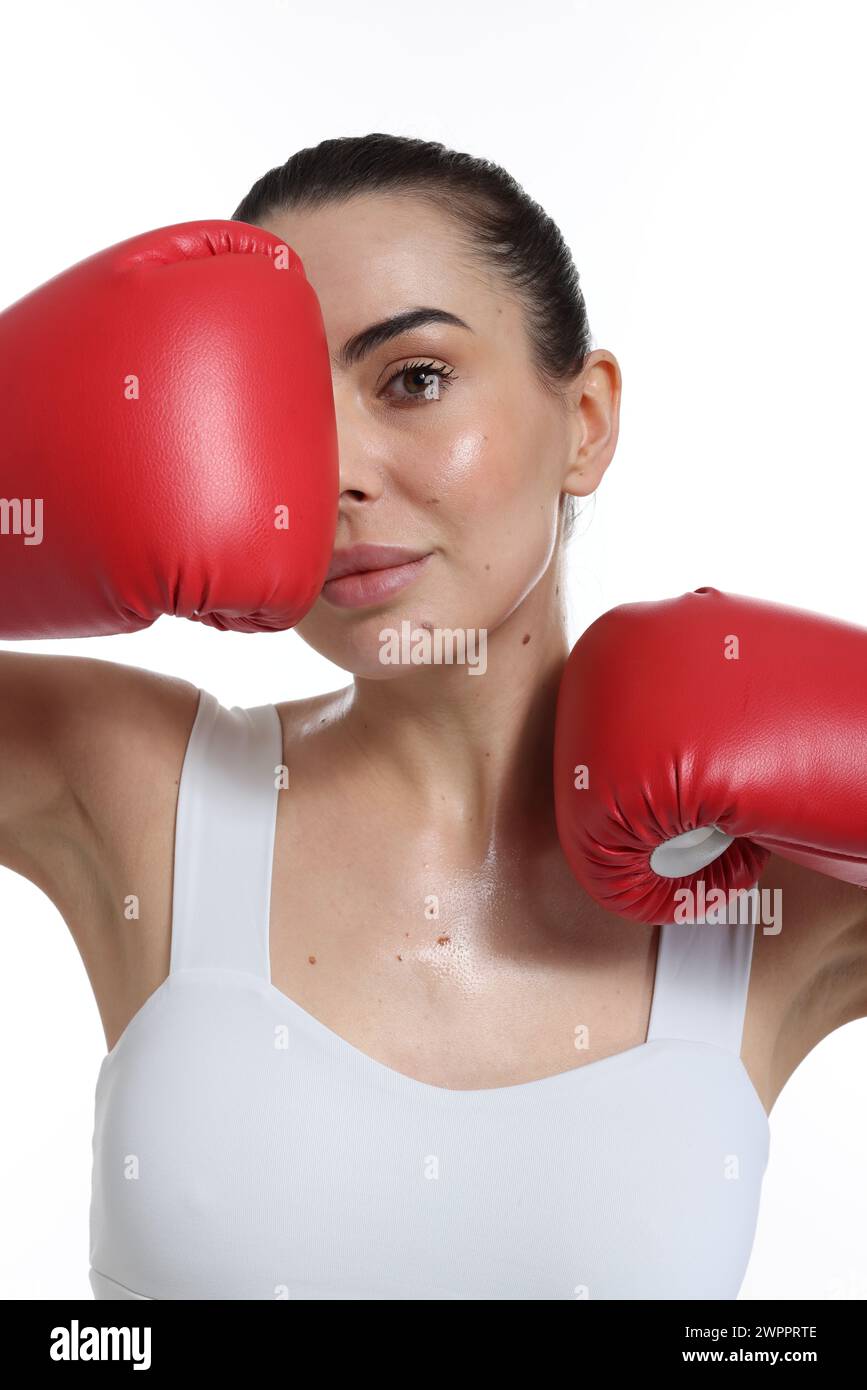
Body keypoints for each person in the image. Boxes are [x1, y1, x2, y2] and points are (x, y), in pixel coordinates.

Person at [1, 134, 865, 1300]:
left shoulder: (759, 883)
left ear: (588, 420)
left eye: (412, 378)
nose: (339, 470)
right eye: (273, 412)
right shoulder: (140, 788)